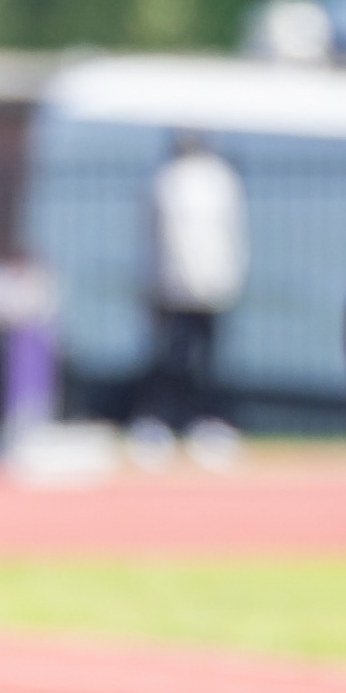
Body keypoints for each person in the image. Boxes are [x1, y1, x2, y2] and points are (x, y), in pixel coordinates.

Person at [132, 129, 246, 459]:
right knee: (170, 359)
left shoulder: (220, 180)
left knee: (208, 362)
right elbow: (152, 237)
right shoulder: (166, 180)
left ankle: (208, 422)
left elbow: (233, 235)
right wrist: (152, 283)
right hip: (173, 287)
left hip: (213, 286)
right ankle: (159, 421)